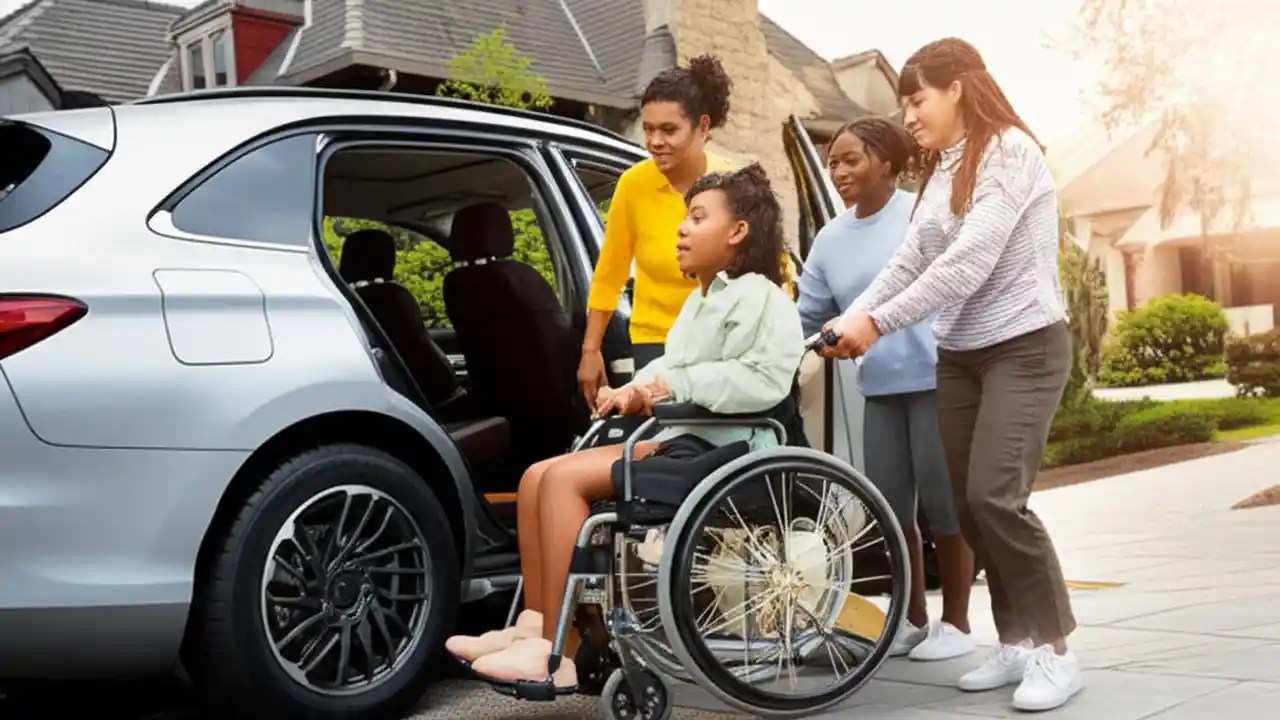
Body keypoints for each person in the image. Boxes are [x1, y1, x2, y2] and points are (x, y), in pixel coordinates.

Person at [445, 163, 805, 689]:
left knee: (564, 480)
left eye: (697, 218)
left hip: (731, 453)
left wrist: (669, 386)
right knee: (534, 477)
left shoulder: (765, 298)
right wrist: (633, 388)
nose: (681, 229)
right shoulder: (702, 301)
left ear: (738, 231)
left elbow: (764, 383)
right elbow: (670, 366)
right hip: (689, 443)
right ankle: (534, 626)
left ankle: (557, 652)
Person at [820, 38, 1083, 712]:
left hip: (1024, 347)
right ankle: (1016, 641)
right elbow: (906, 264)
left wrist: (874, 326)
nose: (908, 115)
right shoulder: (940, 171)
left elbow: (968, 264)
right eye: (903, 102)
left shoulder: (1013, 154)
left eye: (917, 98)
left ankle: (1056, 650)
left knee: (997, 497)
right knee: (968, 509)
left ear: (959, 87)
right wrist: (849, 317)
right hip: (961, 356)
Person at [796, 116, 975, 662]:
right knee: (891, 512)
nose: (839, 172)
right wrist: (817, 339)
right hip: (879, 388)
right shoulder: (829, 239)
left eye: (851, 159)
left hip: (936, 378)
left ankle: (959, 623)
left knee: (944, 508)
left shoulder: (924, 213)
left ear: (888, 163)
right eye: (832, 163)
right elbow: (811, 315)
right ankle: (911, 618)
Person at [577, 55, 797, 403]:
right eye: (648, 129)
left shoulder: (734, 186)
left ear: (703, 126)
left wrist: (781, 345)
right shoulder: (633, 185)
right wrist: (591, 350)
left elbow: (776, 271)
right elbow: (609, 273)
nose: (654, 141)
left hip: (724, 342)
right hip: (656, 342)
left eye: (668, 130)